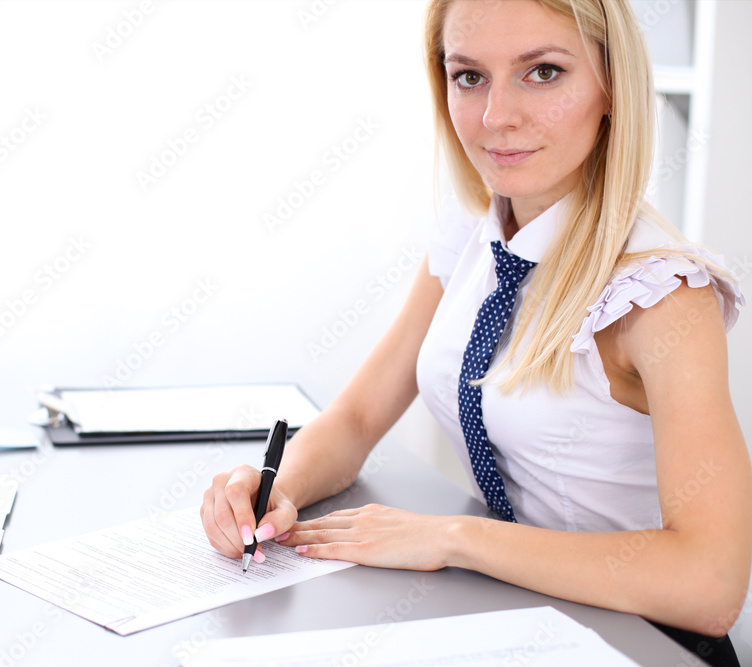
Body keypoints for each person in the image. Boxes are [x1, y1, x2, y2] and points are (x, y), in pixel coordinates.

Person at [200, 0, 751, 664]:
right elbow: (356, 417)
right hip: (512, 612)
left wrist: (454, 538)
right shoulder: (475, 233)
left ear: (612, 86)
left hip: (641, 640)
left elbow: (711, 585)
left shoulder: (660, 293)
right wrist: (275, 488)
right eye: (469, 76)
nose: (496, 117)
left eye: (543, 72)